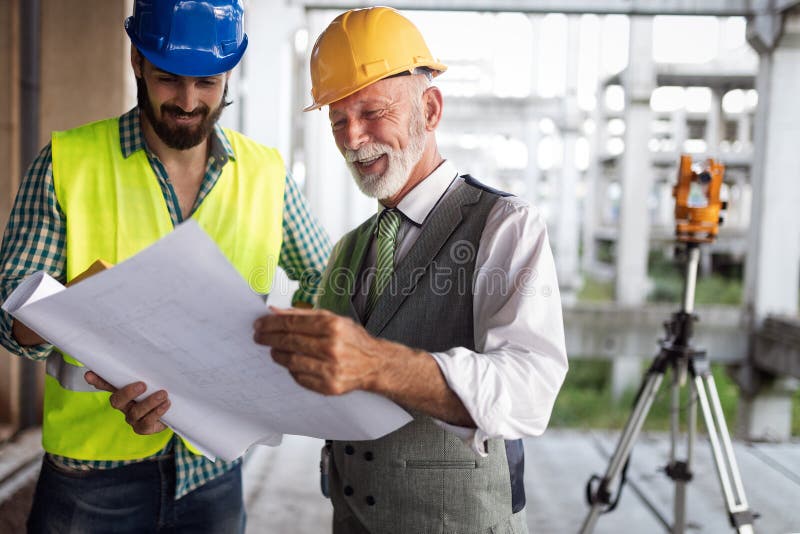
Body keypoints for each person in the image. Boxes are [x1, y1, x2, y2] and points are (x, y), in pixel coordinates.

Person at [102, 5, 567, 534]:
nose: (352, 138)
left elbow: (531, 390)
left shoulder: (504, 225)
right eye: (339, 120)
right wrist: (180, 400)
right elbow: (300, 380)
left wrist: (378, 364)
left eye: (372, 112)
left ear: (431, 108)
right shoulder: (350, 249)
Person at [0, 1, 330, 532]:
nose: (188, 101)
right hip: (92, 477)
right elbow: (11, 318)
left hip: (213, 473)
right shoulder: (68, 162)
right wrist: (73, 306)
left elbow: (328, 280)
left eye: (207, 82)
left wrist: (282, 357)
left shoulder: (266, 174)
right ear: (136, 60)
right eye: (168, 79)